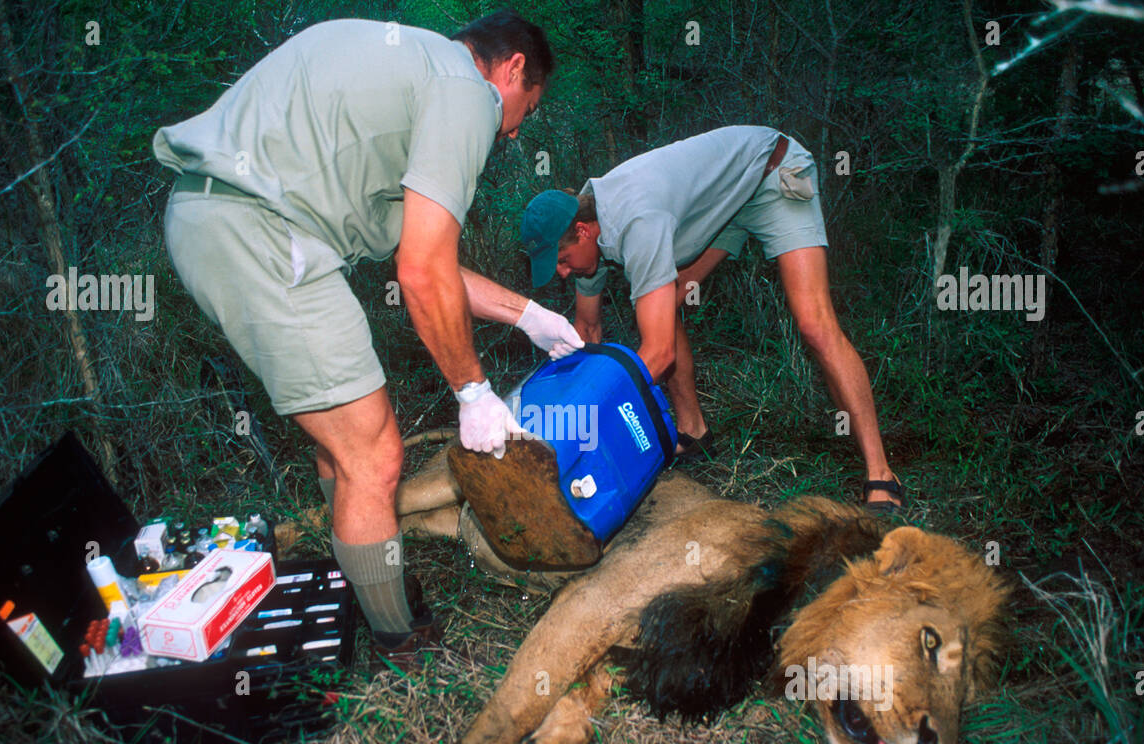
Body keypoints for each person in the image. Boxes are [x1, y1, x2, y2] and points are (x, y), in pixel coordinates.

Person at [154, 13, 581, 665]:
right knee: (375, 454)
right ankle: (401, 644)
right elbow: (420, 273)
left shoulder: (408, 75)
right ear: (512, 68)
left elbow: (424, 256)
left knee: (343, 447)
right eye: (529, 107)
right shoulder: (464, 88)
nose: (517, 128)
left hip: (226, 217)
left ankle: (367, 578)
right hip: (257, 228)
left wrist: (529, 316)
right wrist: (474, 392)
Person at [519, 126, 902, 508]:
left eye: (563, 261)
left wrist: (602, 416)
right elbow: (587, 329)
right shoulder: (586, 227)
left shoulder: (637, 221)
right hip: (720, 208)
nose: (563, 274)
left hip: (771, 173)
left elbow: (659, 355)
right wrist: (573, 414)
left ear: (583, 232)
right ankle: (693, 431)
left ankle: (881, 473)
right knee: (663, 304)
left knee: (814, 325)